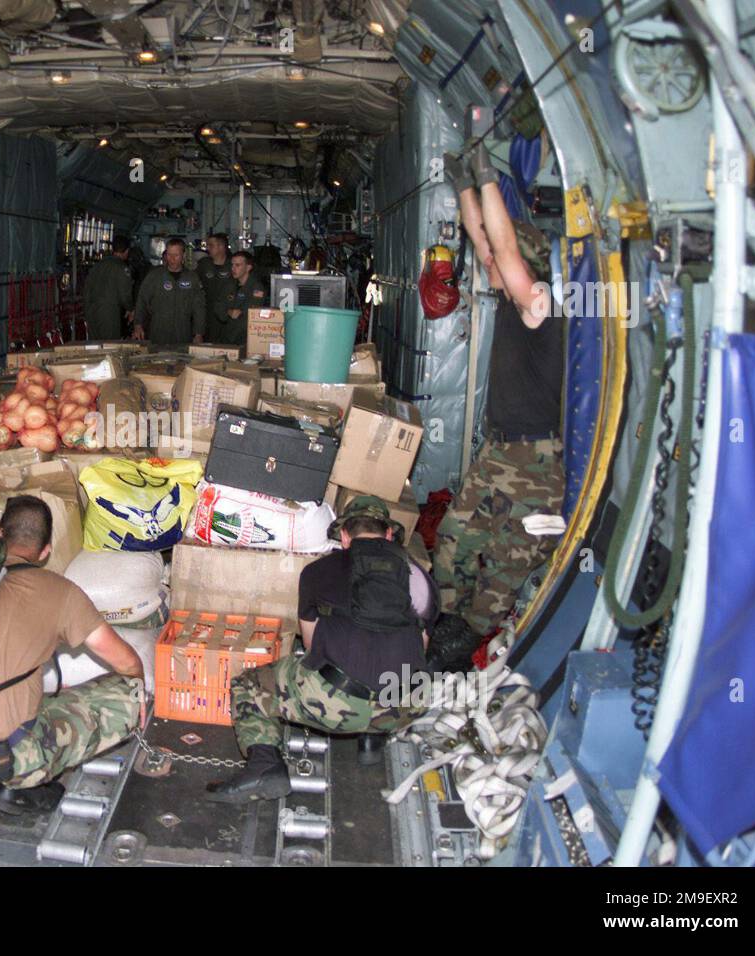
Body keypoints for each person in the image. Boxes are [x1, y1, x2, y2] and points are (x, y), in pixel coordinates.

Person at [0, 497, 145, 816]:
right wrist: (138, 687)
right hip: (10, 757)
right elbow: (126, 661)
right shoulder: (61, 592)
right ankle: (21, 788)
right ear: (46, 551)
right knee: (129, 695)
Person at [206, 499, 434, 803]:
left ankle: (264, 767)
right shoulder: (421, 577)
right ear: (390, 535)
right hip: (406, 705)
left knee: (249, 685)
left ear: (344, 537)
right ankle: (371, 740)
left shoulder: (319, 571)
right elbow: (420, 649)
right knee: (390, 664)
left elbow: (312, 646)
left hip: (336, 703)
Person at [431, 141, 565, 636]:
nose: (487, 267)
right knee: (452, 541)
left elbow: (504, 250)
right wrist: (464, 183)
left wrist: (488, 178)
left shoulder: (541, 307)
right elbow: (488, 244)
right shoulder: (514, 302)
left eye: (501, 268)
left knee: (502, 576)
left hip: (537, 467)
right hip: (500, 451)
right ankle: (441, 627)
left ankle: (468, 651)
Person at [132, 238, 206, 346]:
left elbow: (199, 307)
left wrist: (199, 333)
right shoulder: (155, 276)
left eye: (176, 255)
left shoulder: (192, 278)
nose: (172, 259)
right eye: (169, 255)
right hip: (158, 330)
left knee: (182, 360)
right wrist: (138, 324)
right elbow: (142, 300)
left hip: (183, 331)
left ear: (183, 256)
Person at [82, 235, 134, 340]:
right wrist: (130, 308)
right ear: (127, 251)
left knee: (94, 345)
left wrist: (86, 312)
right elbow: (125, 294)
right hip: (108, 313)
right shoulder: (122, 268)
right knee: (110, 344)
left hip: (91, 311)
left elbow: (86, 289)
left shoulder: (97, 265)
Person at [223, 249, 268, 345]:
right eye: (232, 265)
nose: (233, 268)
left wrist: (234, 312)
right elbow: (218, 306)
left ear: (248, 267)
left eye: (237, 265)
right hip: (228, 335)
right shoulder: (230, 284)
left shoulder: (256, 287)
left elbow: (251, 313)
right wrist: (228, 311)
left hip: (246, 338)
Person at [196, 232, 234, 341]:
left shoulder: (233, 265)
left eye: (211, 245)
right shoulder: (204, 264)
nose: (208, 248)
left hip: (227, 315)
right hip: (207, 314)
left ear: (222, 247)